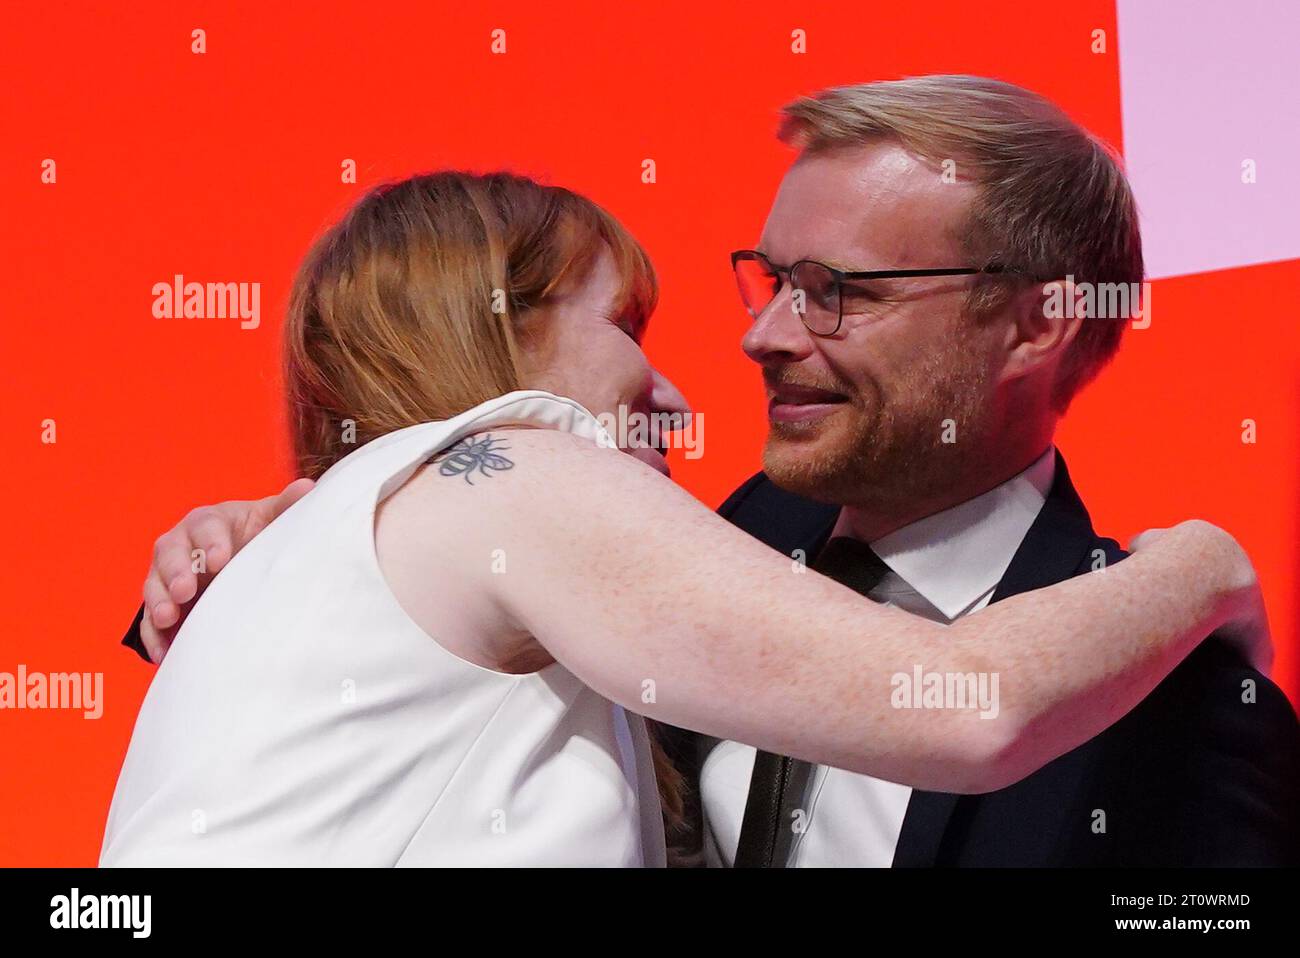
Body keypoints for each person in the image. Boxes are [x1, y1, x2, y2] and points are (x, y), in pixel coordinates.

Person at [105, 167, 1268, 868]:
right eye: (629, 329)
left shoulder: (367, 536)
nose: (675, 397)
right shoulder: (516, 468)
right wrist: (1208, 564)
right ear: (500, 336)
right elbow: (973, 708)